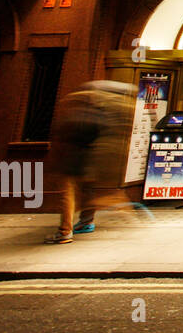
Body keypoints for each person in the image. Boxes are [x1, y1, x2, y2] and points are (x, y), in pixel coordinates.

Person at [45, 80, 144, 244]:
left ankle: (65, 231)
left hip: (75, 159)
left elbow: (70, 135)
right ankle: (88, 221)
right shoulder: (108, 113)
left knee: (68, 194)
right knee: (89, 190)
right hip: (91, 160)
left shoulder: (84, 111)